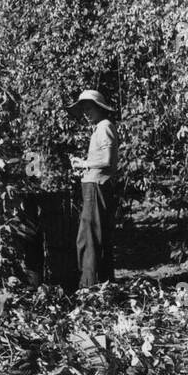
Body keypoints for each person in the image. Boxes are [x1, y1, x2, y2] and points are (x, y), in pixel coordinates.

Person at [67, 89, 119, 288]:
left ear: (99, 108)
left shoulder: (105, 126)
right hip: (93, 186)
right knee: (94, 236)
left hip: (96, 187)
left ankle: (89, 286)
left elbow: (107, 160)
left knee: (89, 237)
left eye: (89, 108)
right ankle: (104, 283)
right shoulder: (99, 128)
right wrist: (85, 163)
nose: (86, 113)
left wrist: (84, 164)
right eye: (84, 110)